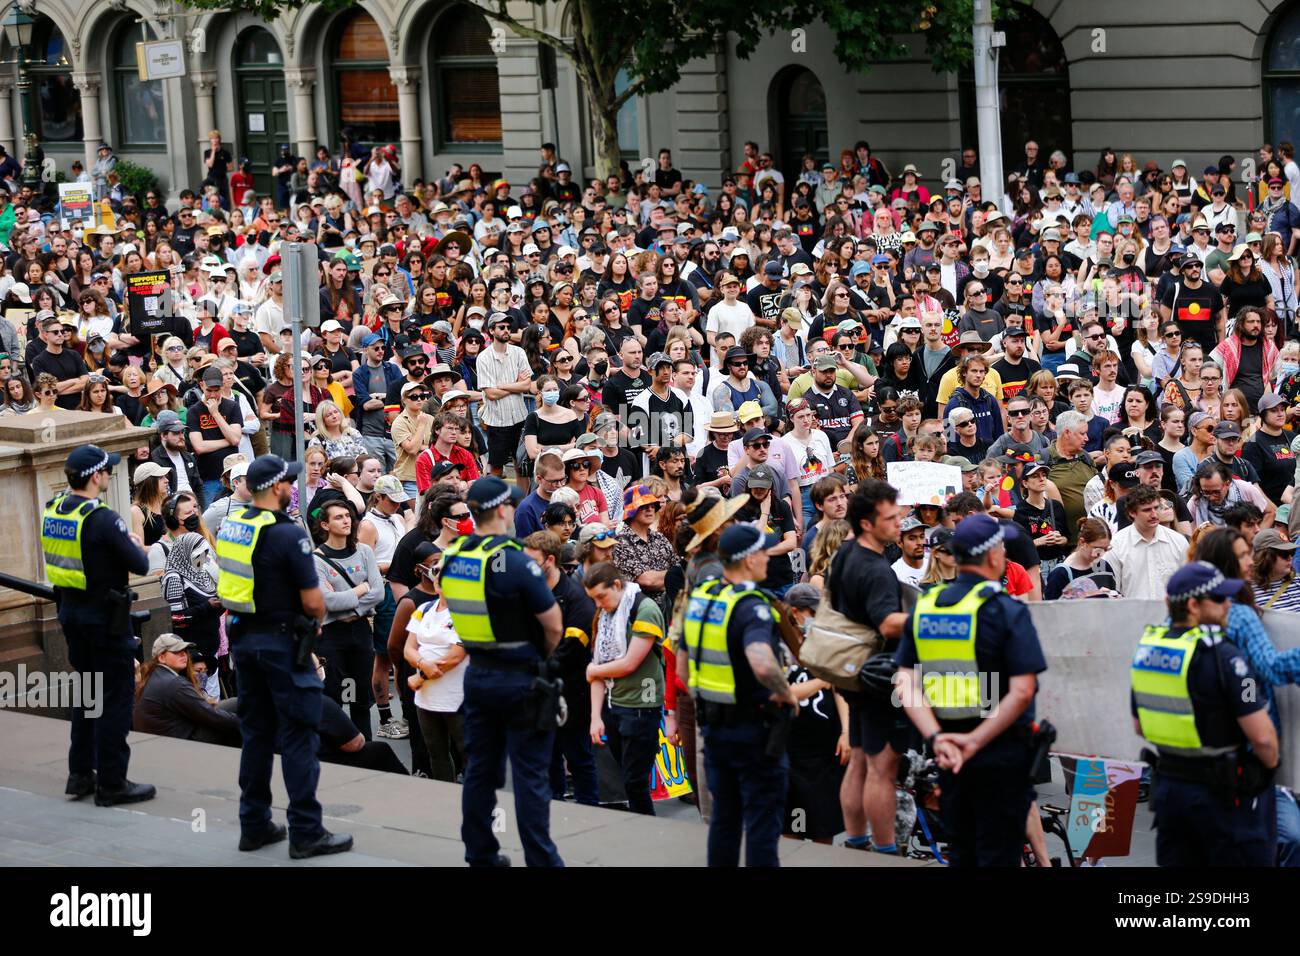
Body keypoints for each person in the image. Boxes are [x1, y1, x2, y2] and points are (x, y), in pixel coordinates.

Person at [215, 454, 353, 859]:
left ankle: (254, 825)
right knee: (298, 735)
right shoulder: (287, 534)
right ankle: (306, 832)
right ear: (277, 488)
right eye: (288, 481)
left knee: (256, 734)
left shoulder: (234, 525)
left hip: (245, 640)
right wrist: (317, 618)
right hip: (282, 644)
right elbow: (314, 601)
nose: (292, 486)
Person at [895, 513, 1048, 866]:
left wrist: (937, 739)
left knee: (962, 851)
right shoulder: (1004, 609)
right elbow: (1023, 690)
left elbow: (904, 681)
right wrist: (976, 742)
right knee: (999, 854)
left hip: (947, 751)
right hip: (999, 751)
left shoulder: (926, 606)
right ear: (994, 555)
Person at [441, 476, 564, 867]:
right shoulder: (513, 560)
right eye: (509, 505)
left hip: (478, 673)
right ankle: (542, 860)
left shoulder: (455, 555)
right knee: (529, 777)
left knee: (480, 771)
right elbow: (553, 625)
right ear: (500, 509)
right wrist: (538, 656)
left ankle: (481, 853)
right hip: (519, 676)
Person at [1131, 561, 1278, 867]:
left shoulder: (1149, 651)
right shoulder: (1227, 656)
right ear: (1195, 605)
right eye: (1220, 599)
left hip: (1170, 788)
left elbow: (1140, 726)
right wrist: (1269, 763)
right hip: (1222, 795)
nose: (1228, 605)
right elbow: (1262, 734)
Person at [677, 522, 797, 866]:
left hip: (714, 728)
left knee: (725, 821)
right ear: (747, 560)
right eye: (762, 552)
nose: (766, 558)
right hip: (753, 730)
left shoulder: (701, 598)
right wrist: (786, 693)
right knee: (761, 822)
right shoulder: (751, 605)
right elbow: (761, 662)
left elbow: (684, 669)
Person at [43, 444, 153, 806]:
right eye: (107, 471)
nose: (109, 475)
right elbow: (139, 564)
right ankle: (112, 783)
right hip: (105, 621)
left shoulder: (54, 509)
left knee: (87, 695)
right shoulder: (102, 517)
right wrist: (134, 542)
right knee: (114, 701)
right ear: (95, 476)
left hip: (71, 616)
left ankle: (79, 774)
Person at [831, 479, 912, 854]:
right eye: (891, 518)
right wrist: (933, 615)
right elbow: (887, 623)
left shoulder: (845, 554)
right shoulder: (878, 570)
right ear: (866, 523)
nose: (900, 523)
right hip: (879, 676)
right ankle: (884, 852)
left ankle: (856, 841)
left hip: (852, 670)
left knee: (860, 760)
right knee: (883, 768)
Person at [584, 562, 667, 816]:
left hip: (642, 704)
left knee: (635, 781)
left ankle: (646, 831)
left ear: (617, 585)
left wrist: (594, 671)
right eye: (593, 599)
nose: (598, 604)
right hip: (613, 704)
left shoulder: (645, 608)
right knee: (627, 778)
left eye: (601, 596)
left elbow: (629, 664)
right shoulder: (605, 613)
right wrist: (595, 716)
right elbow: (598, 665)